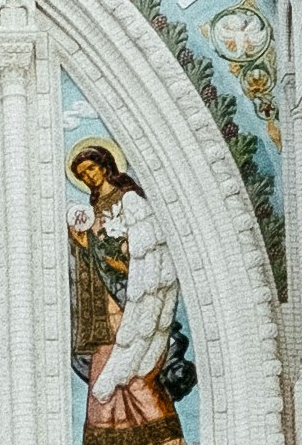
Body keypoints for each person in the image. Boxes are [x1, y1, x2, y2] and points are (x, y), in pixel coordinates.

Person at [66, 139, 185, 439]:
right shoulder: (91, 210)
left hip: (129, 304)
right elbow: (91, 259)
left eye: (91, 169)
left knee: (134, 376)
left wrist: (114, 255)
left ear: (105, 166)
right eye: (83, 175)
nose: (89, 177)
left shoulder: (129, 201)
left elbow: (141, 253)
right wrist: (81, 245)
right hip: (102, 312)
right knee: (102, 383)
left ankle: (170, 438)